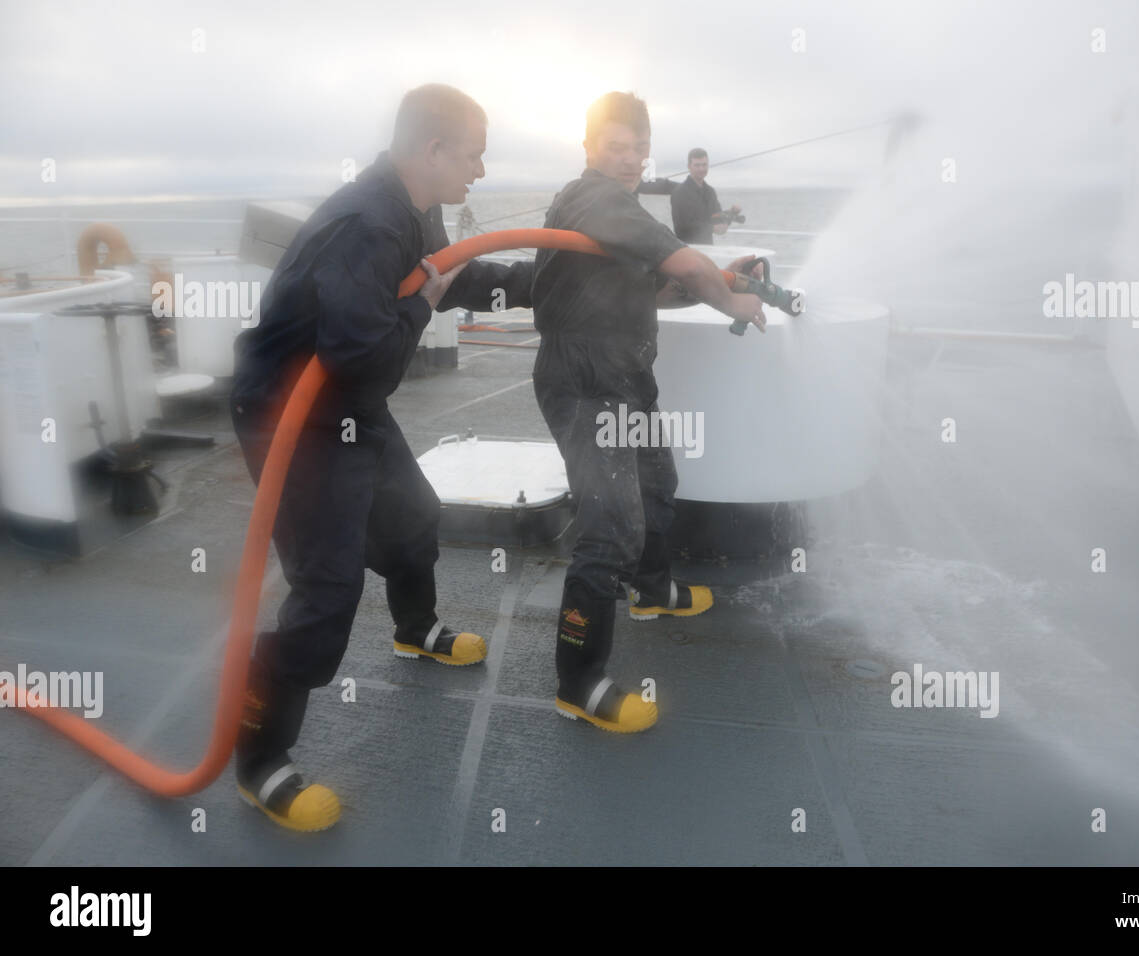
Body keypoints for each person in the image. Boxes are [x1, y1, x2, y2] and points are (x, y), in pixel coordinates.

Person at [228, 84, 533, 831]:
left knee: (412, 519)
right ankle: (259, 758)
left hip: (343, 404)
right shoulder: (367, 223)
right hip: (289, 418)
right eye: (473, 155)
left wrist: (542, 283)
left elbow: (453, 273)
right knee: (326, 589)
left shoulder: (414, 204)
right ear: (432, 151)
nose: (481, 171)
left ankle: (415, 629)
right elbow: (368, 356)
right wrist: (426, 301)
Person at [530, 92, 767, 733]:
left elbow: (658, 286)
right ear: (588, 149)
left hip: (626, 378)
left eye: (639, 148)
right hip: (584, 384)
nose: (631, 160)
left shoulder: (617, 209)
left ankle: (653, 591)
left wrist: (724, 277)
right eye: (616, 146)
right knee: (609, 525)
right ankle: (578, 682)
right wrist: (731, 302)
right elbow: (684, 262)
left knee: (658, 486)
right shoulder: (595, 199)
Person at [670, 148, 742, 244]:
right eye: (697, 165)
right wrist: (712, 228)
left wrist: (731, 213)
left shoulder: (710, 191)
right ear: (689, 166)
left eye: (704, 165)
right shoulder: (679, 192)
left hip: (708, 248)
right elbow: (682, 227)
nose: (701, 169)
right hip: (686, 249)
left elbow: (716, 218)